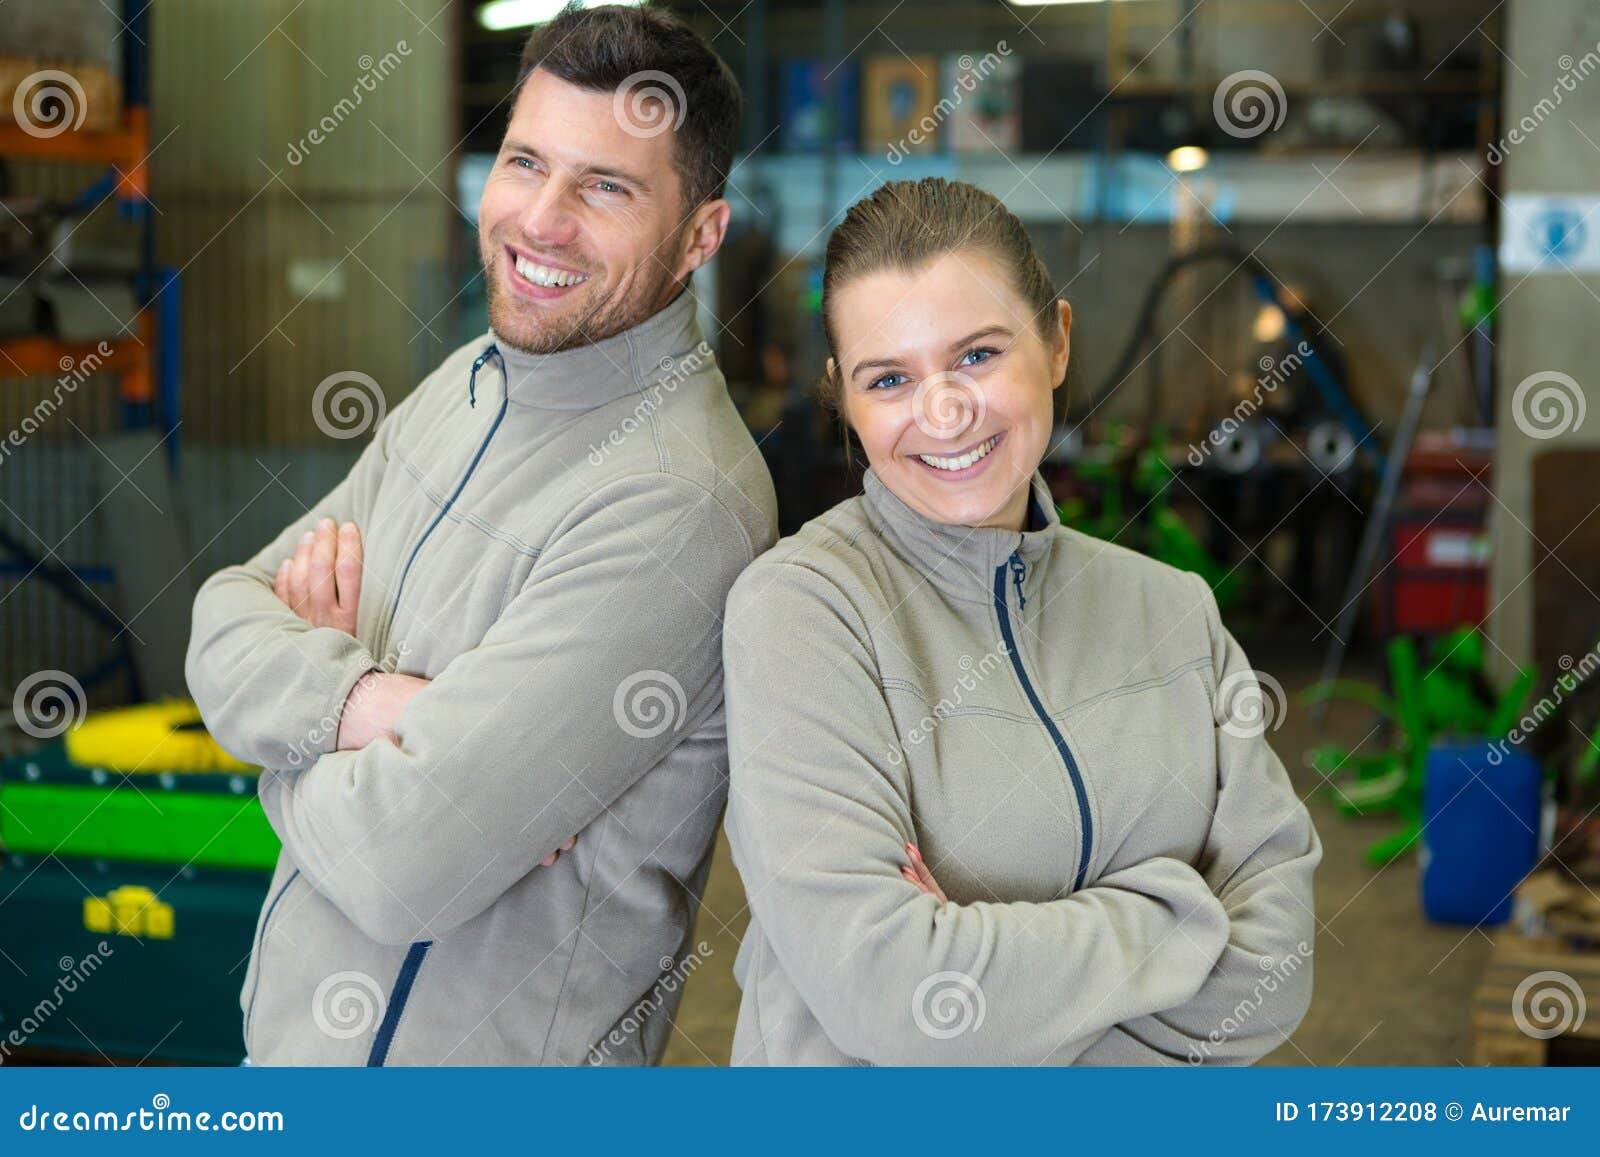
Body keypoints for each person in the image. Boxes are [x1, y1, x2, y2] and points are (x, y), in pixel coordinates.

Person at [186, 4, 775, 1066]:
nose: (541, 220)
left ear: (701, 235)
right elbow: (219, 618)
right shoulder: (463, 386)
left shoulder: (679, 500)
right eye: (524, 162)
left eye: (605, 187)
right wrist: (363, 704)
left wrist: (279, 732)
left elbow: (397, 864)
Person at [722, 177, 1321, 1066]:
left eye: (977, 355)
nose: (945, 410)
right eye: (890, 377)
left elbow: (1276, 968)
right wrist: (1180, 913)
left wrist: (993, 978)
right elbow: (898, 997)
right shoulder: (804, 613)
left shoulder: (1173, 612)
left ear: (1058, 344)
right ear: (845, 399)